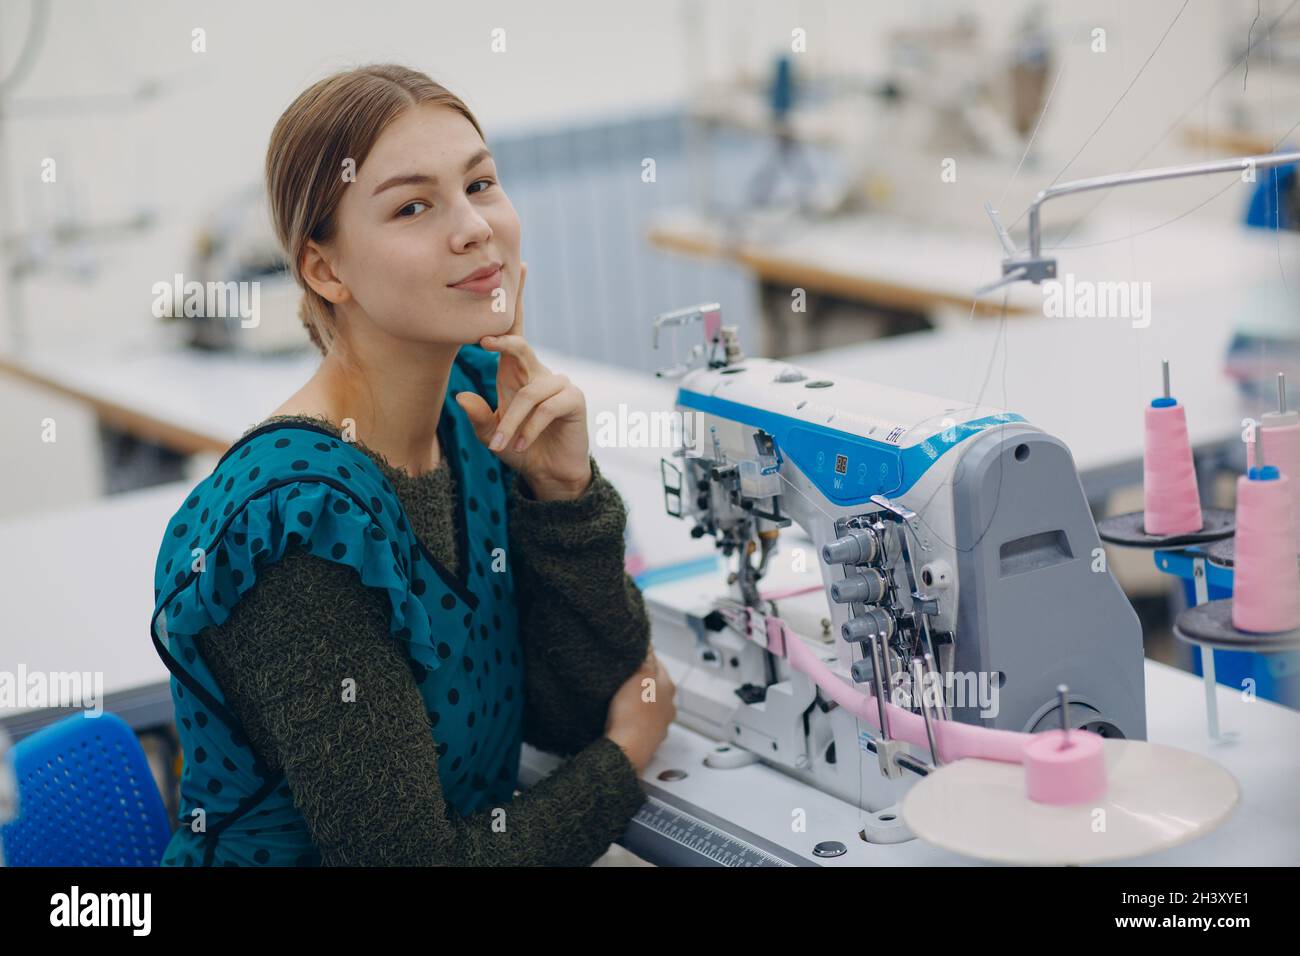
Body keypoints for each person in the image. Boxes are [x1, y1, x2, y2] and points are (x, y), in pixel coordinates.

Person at [149, 63, 675, 866]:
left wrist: (563, 494)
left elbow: (573, 710)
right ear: (326, 269)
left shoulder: (475, 412)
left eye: (482, 183)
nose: (474, 228)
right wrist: (623, 762)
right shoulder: (299, 524)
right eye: (413, 206)